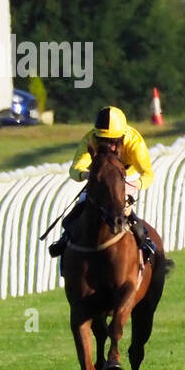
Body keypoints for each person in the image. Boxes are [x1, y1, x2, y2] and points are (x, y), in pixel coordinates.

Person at [48, 106, 156, 260]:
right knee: (76, 212)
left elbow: (148, 175)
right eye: (103, 141)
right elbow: (75, 169)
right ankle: (66, 239)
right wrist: (86, 174)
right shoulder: (90, 139)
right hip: (99, 179)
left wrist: (130, 186)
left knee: (124, 210)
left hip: (125, 180)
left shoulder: (134, 142)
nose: (109, 146)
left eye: (113, 142)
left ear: (122, 137)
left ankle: (145, 243)